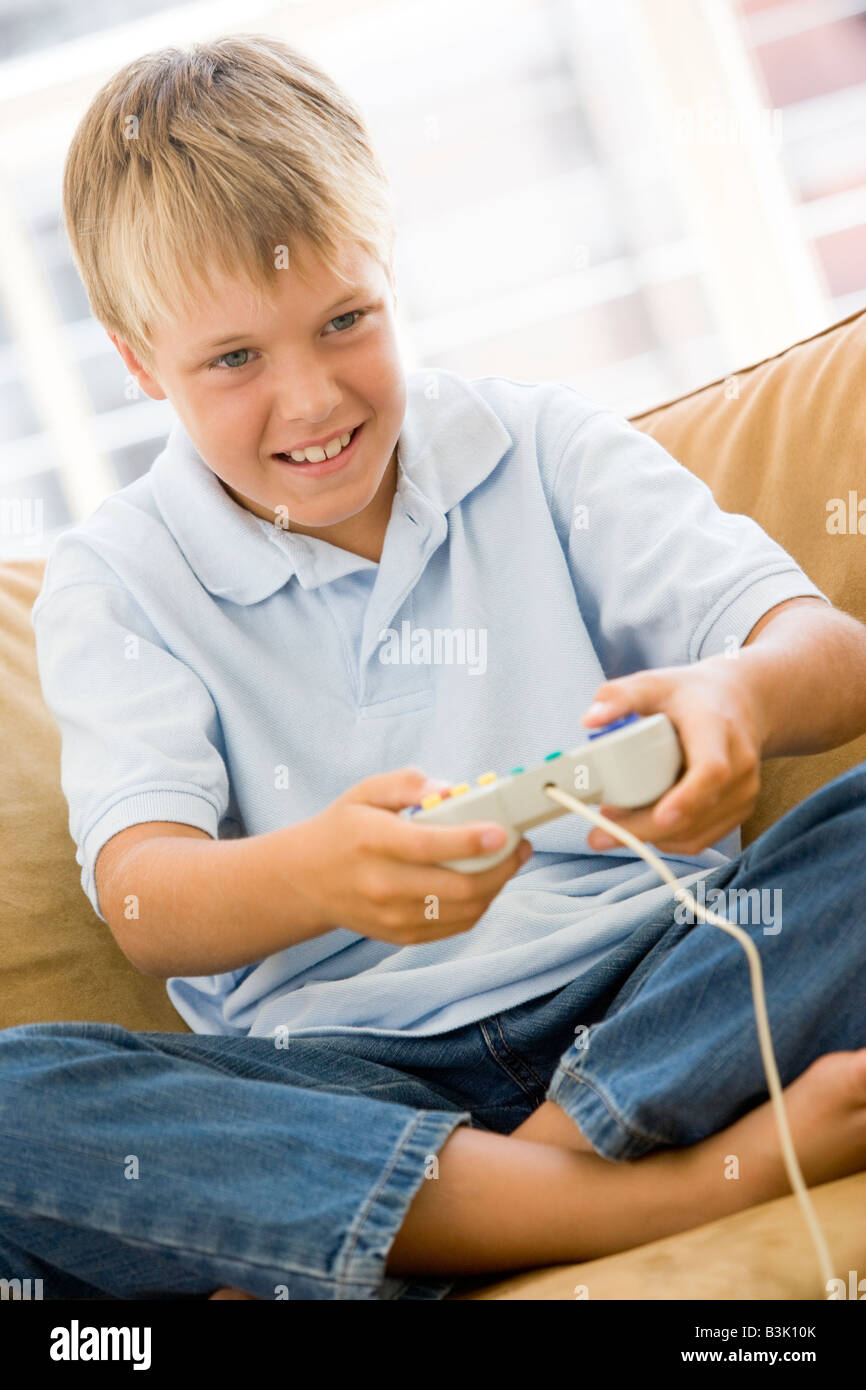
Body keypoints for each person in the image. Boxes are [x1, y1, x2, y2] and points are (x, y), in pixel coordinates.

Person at [5, 33, 866, 1302]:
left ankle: (461, 1214)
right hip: (353, 1073)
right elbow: (144, 903)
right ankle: (658, 1189)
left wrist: (733, 697)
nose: (310, 401)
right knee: (20, 1097)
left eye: (345, 321)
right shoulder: (121, 580)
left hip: (661, 985)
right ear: (140, 364)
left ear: (390, 280)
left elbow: (830, 660)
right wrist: (321, 876)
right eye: (234, 359)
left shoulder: (539, 446)